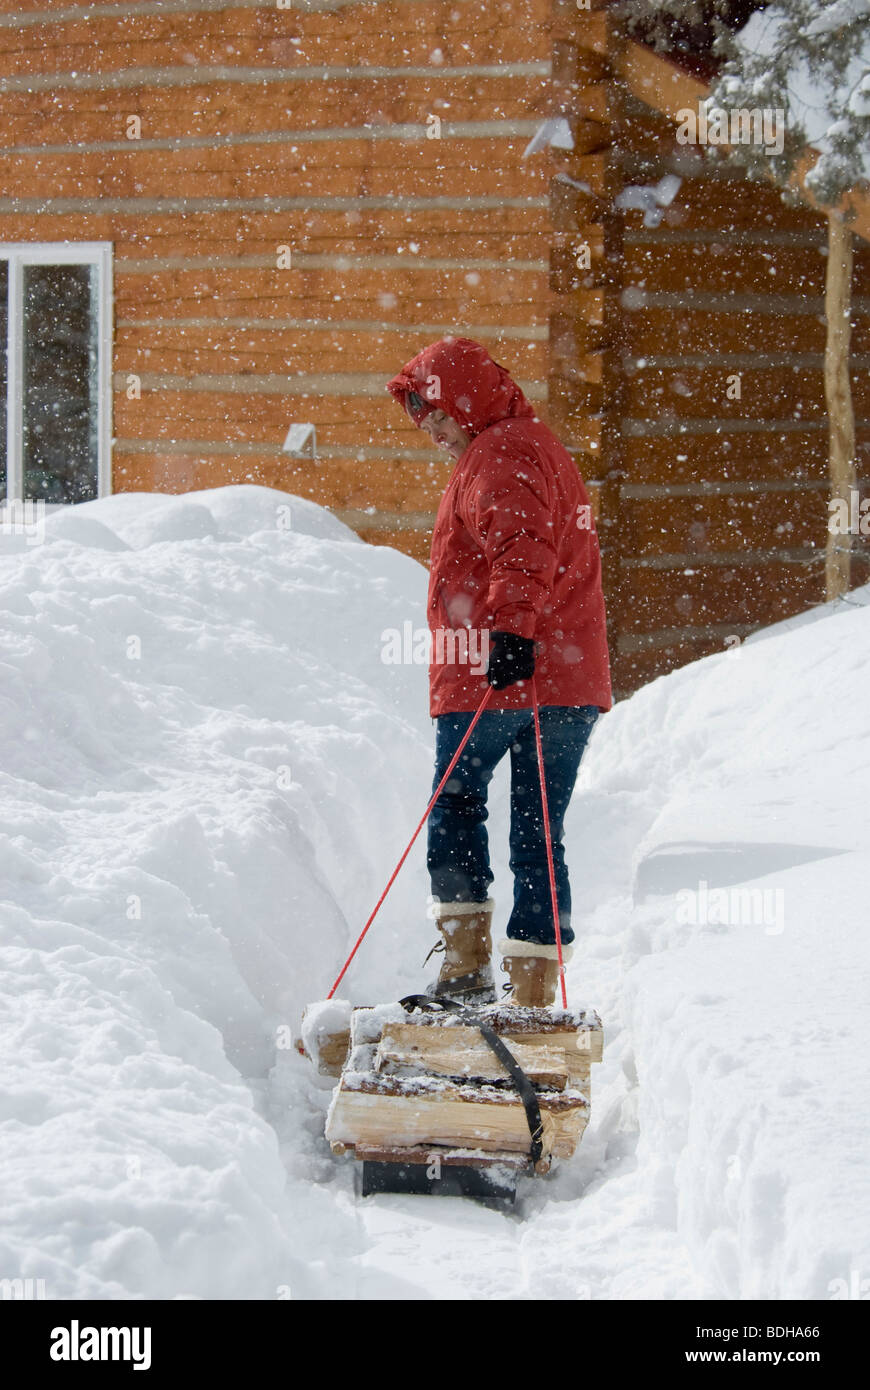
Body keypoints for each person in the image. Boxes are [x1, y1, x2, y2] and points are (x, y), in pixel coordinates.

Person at [386, 337, 612, 1008]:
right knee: (539, 828)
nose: (431, 432)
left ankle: (464, 973)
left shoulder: (501, 452)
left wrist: (511, 630)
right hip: (564, 679)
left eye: (437, 415)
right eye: (421, 420)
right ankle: (534, 994)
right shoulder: (532, 445)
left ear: (466, 400)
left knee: (457, 803)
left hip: (497, 669)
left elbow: (522, 543)